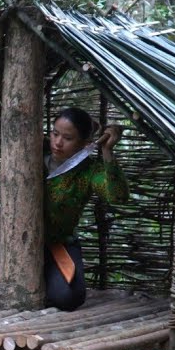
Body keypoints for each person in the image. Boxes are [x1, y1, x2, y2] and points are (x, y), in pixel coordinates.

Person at [43, 107, 129, 311]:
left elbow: (118, 196)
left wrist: (107, 150)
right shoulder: (31, 152)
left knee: (69, 297)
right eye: (55, 134)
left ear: (83, 143)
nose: (57, 142)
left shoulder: (89, 171)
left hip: (58, 244)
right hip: (13, 242)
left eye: (67, 138)